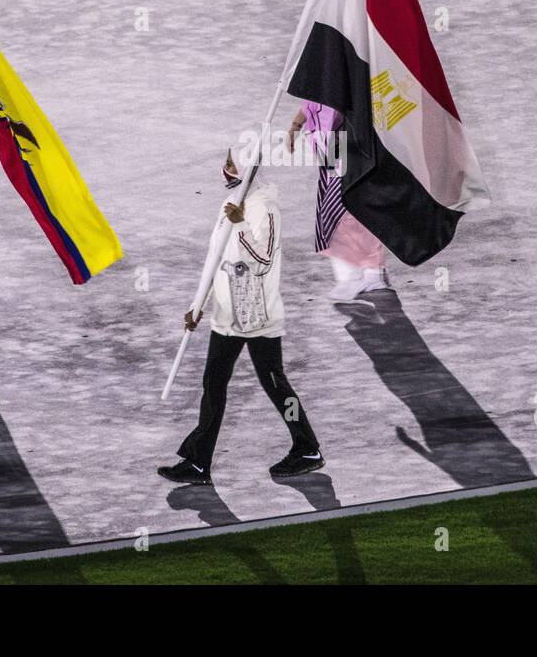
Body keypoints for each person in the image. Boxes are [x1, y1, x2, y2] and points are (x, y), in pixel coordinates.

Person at [158, 141, 323, 485]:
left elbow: (264, 257)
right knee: (215, 382)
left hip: (258, 315)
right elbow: (215, 256)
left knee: (273, 381)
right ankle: (199, 460)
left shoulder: (265, 207)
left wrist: (242, 223)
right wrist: (197, 304)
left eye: (231, 163)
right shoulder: (232, 202)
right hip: (229, 313)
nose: (225, 168)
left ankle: (307, 448)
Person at [287, 103, 390, 301]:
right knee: (346, 211)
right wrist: (295, 126)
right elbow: (311, 101)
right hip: (332, 153)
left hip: (348, 147)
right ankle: (371, 273)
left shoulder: (340, 76)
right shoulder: (322, 77)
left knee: (342, 212)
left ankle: (357, 275)